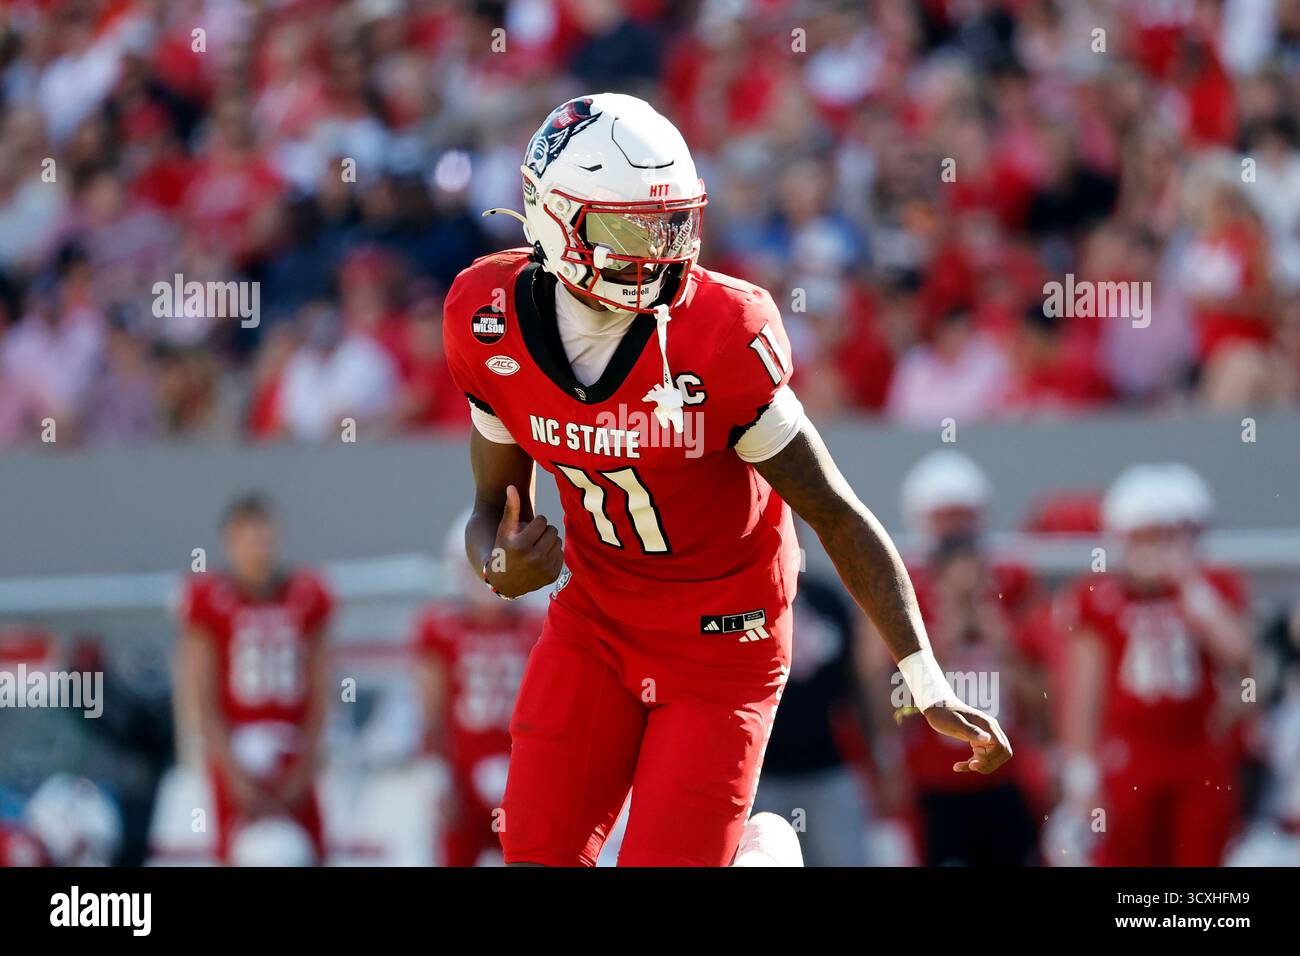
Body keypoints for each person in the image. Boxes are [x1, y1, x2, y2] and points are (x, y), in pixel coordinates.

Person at [440, 93, 1011, 867]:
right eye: (629, 226)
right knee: (536, 853)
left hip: (723, 637)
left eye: (671, 223)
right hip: (597, 621)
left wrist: (925, 677)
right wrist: (501, 565)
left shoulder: (717, 336)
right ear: (550, 217)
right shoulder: (489, 317)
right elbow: (489, 514)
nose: (661, 250)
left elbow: (835, 512)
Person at [1059, 464, 1251, 865]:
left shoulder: (1209, 587)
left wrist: (1187, 586)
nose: (1155, 549)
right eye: (1146, 537)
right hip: (1129, 752)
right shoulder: (1099, 596)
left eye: (1166, 537)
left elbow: (1238, 652)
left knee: (1200, 857)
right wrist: (1081, 770)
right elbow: (1084, 693)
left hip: (1197, 750)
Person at [176, 493, 333, 864]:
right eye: (247, 538)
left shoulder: (306, 595)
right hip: (236, 748)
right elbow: (201, 693)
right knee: (241, 852)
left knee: (308, 851)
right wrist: (230, 772)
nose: (257, 549)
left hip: (292, 746)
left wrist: (306, 763)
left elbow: (322, 686)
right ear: (229, 542)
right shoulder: (209, 599)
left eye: (264, 537)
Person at [412, 520, 543, 866]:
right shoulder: (441, 629)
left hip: (524, 776)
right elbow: (431, 710)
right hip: (462, 777)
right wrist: (434, 770)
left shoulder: (539, 627)